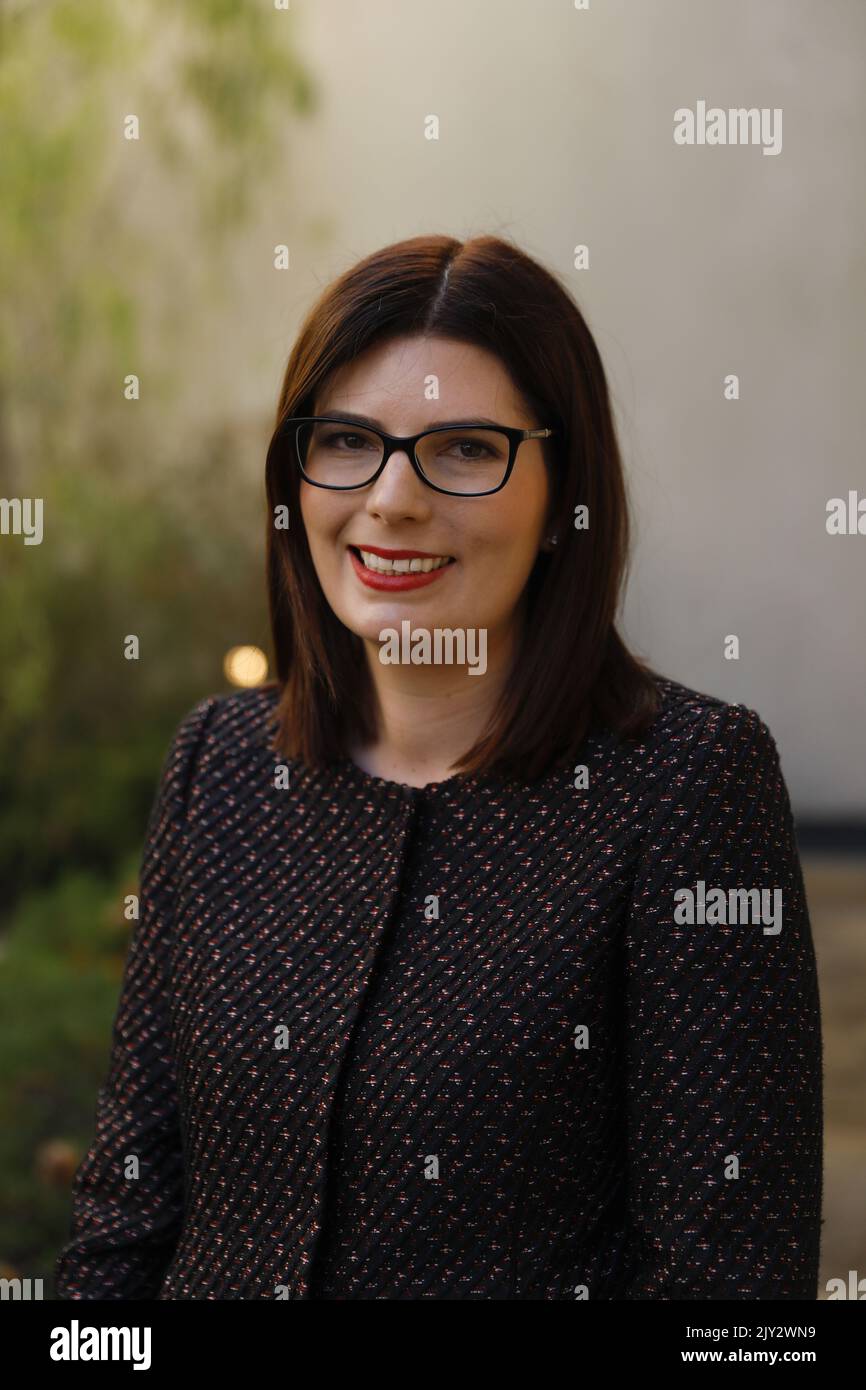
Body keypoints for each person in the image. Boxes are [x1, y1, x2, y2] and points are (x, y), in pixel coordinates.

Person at [55, 233, 823, 1300]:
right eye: (346, 441)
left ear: (563, 495)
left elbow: (729, 1288)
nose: (391, 499)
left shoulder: (687, 785)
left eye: (463, 449)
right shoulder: (219, 764)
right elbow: (125, 1224)